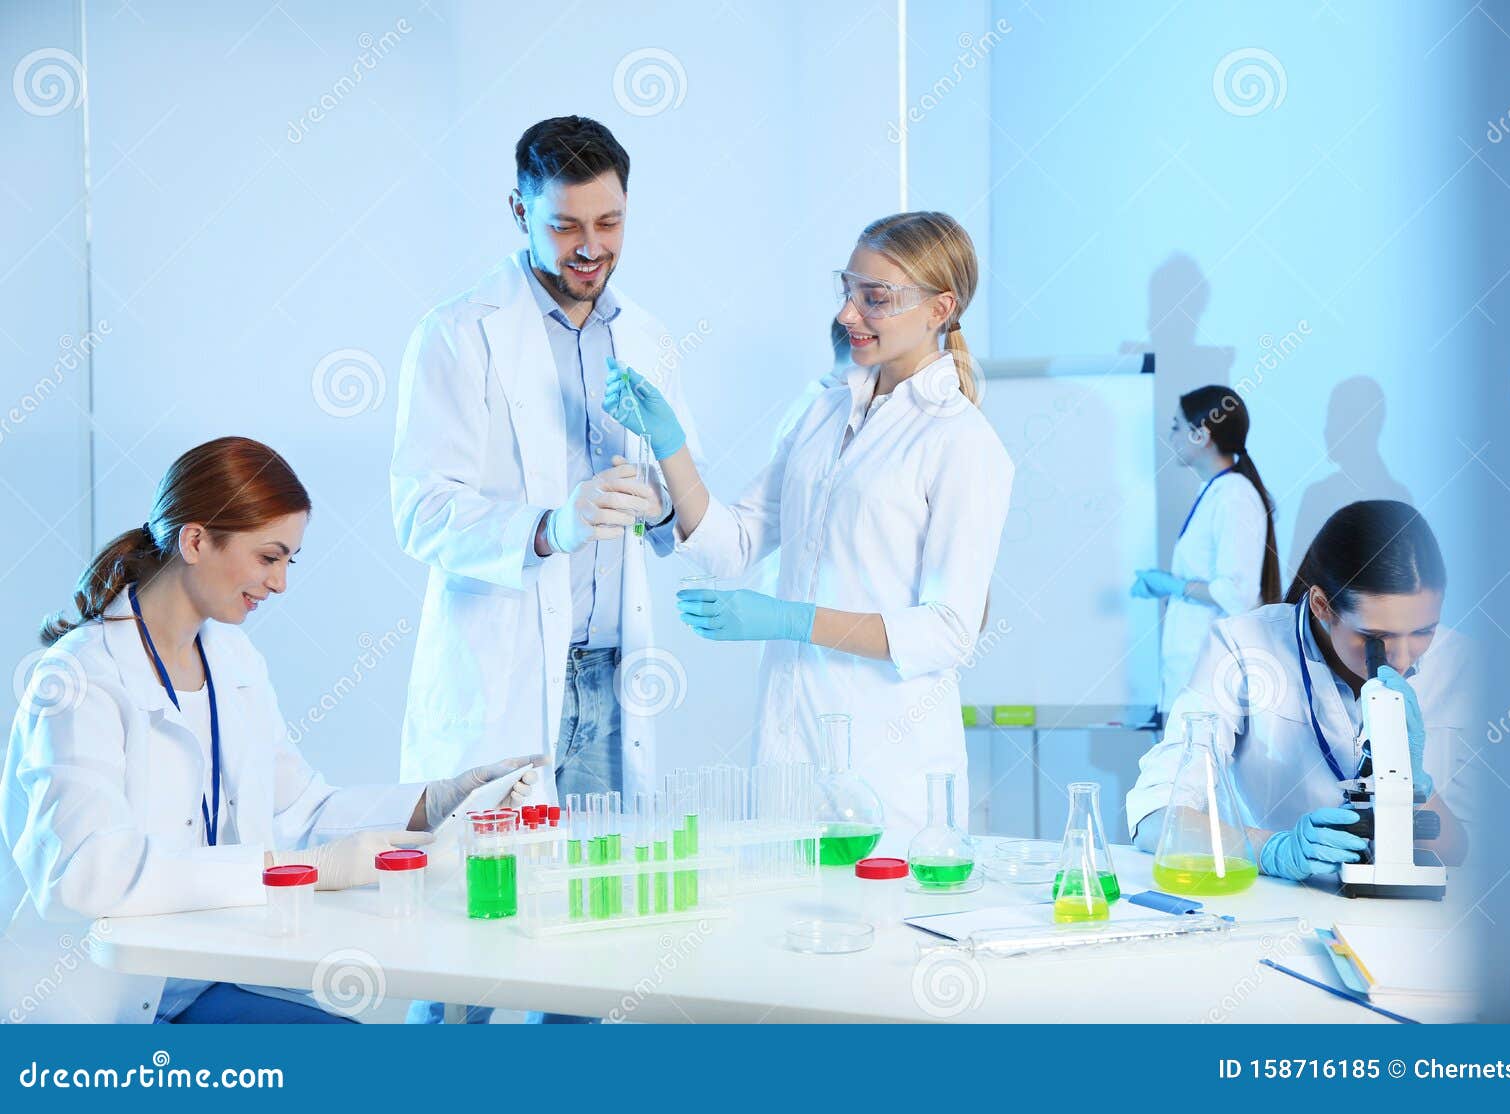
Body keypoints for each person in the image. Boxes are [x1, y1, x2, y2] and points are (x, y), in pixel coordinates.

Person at [1, 438, 532, 1023]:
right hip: (100, 1007)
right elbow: (83, 877)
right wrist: (307, 870)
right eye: (268, 557)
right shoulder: (80, 678)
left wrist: (438, 798)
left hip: (204, 982)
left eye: (288, 561)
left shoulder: (233, 659)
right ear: (196, 540)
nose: (280, 583)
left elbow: (302, 809)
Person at [391, 115, 700, 1023]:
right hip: (503, 679)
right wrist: (548, 526)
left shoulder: (647, 335)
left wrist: (661, 506)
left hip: (609, 683)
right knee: (467, 956)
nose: (589, 247)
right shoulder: (457, 334)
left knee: (593, 951)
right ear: (518, 211)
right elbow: (419, 509)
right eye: (566, 225)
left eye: (608, 224)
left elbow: (681, 501)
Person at [603, 211, 1014, 853]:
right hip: (789, 758)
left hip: (890, 775)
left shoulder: (961, 442)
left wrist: (792, 619)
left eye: (875, 298)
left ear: (940, 309)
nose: (849, 314)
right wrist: (670, 446)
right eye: (848, 290)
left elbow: (949, 631)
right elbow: (733, 544)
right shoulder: (823, 409)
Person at [1126, 500, 1475, 883]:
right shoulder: (1244, 647)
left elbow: (1465, 851)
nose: (1403, 659)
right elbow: (1155, 817)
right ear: (1322, 605)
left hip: (1417, 916)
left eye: (1424, 632)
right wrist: (1271, 850)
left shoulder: (1460, 665)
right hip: (1278, 906)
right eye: (1376, 638)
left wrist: (1411, 785)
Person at [1132, 385, 1281, 716]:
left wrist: (1173, 585)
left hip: (1211, 678)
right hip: (1195, 674)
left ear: (1201, 435)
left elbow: (1237, 594)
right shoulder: (1215, 491)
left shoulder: (1234, 496)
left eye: (1177, 427)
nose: (1171, 437)